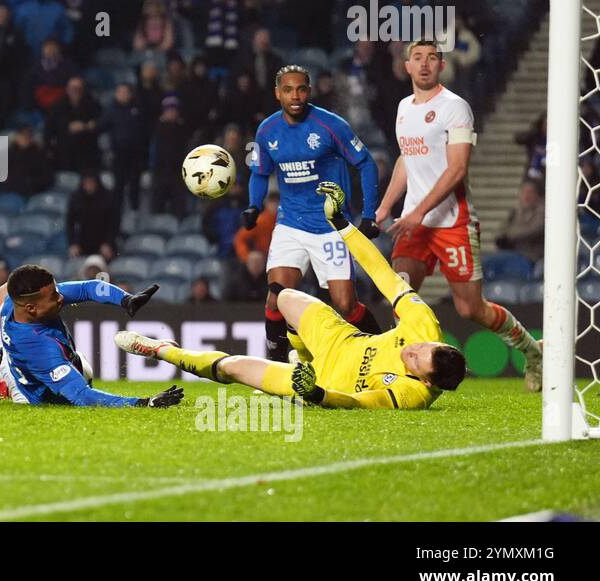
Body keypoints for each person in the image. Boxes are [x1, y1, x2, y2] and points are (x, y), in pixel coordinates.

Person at [118, 183, 467, 410]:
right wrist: (342, 224)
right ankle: (299, 356)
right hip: (341, 340)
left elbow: (355, 403)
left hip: (322, 383)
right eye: (423, 347)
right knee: (284, 297)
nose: (413, 349)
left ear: (425, 380)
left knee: (232, 367)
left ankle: (159, 349)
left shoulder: (410, 395)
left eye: (417, 359)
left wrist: (314, 392)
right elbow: (381, 273)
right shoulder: (424, 325)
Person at [375, 40, 541, 389]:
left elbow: (458, 168)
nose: (424, 64)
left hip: (452, 222)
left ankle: (533, 351)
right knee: (400, 296)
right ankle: (403, 374)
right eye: (417, 58)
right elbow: (406, 159)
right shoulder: (404, 108)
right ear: (407, 66)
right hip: (414, 224)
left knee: (471, 308)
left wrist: (419, 211)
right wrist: (386, 205)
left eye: (431, 58)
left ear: (441, 65)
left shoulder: (455, 107)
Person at [241, 64, 383, 362]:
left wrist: (369, 213)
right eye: (288, 90)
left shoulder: (331, 125)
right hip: (291, 223)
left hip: (331, 225)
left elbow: (366, 163)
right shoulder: (267, 130)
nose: (295, 96)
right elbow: (259, 172)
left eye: (301, 89)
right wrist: (254, 205)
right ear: (277, 93)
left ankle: (381, 353)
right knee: (277, 297)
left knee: (346, 304)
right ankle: (277, 366)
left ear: (309, 91)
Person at [0, 265, 181, 407]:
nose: (61, 297)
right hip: (33, 393)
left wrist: (126, 300)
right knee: (83, 375)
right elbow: (82, 396)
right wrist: (144, 402)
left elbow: (88, 288)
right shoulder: (41, 348)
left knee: (1, 294)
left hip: (19, 362)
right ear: (31, 308)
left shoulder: (14, 300)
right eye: (54, 296)